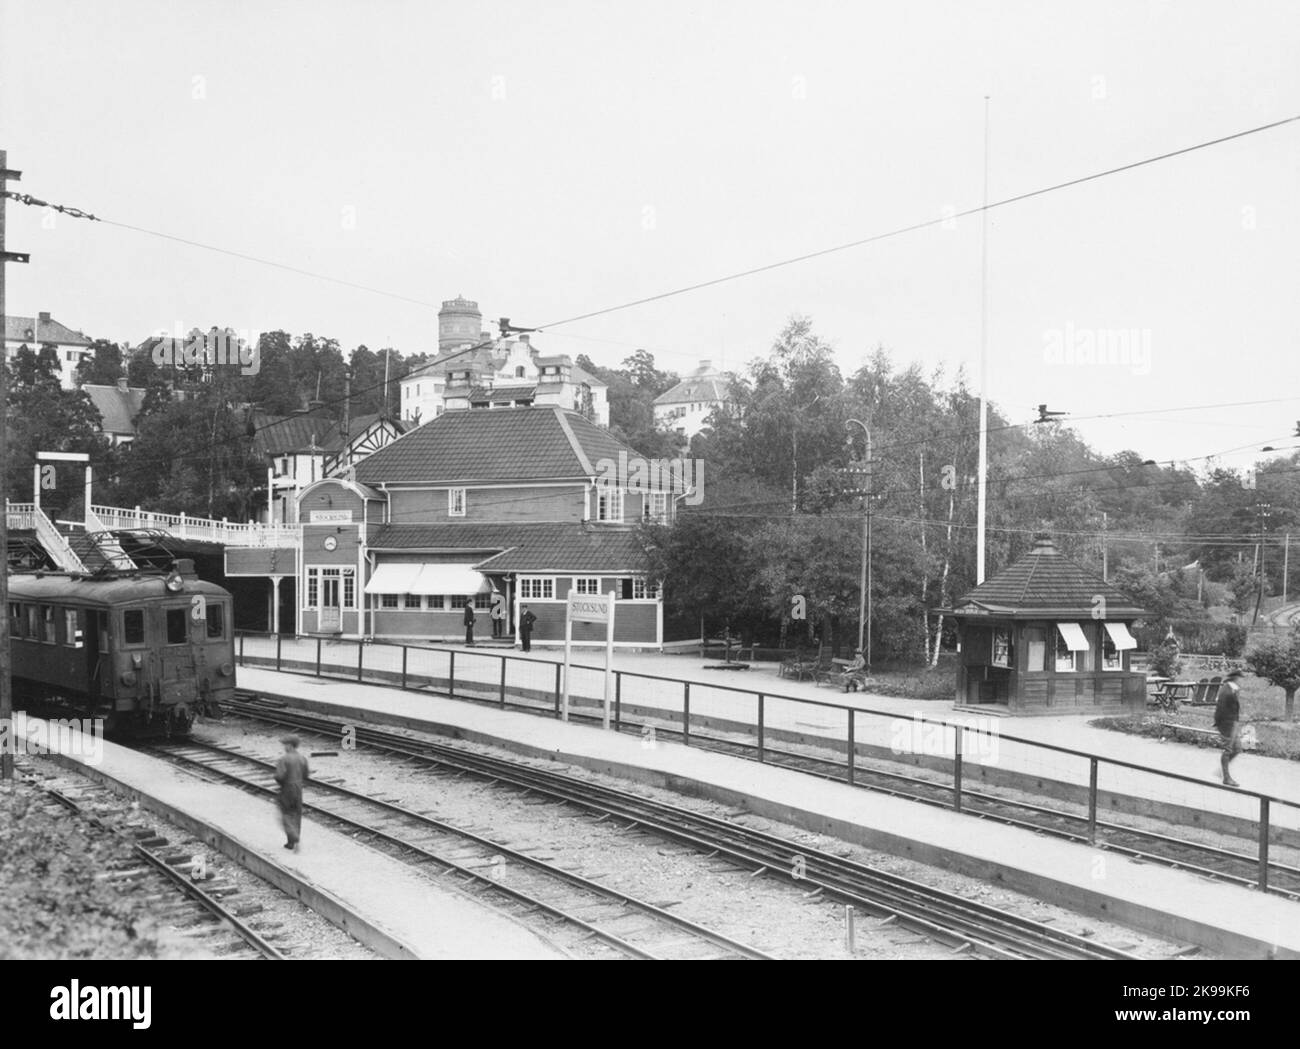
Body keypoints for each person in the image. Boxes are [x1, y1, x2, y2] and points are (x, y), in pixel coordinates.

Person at [273, 735, 310, 851]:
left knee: (285, 813)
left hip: (287, 788)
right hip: (298, 788)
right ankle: (291, 843)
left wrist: (281, 784)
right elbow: (306, 775)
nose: (284, 747)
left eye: (285, 745)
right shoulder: (303, 758)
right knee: (296, 814)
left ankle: (293, 836)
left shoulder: (284, 759)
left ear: (290, 745)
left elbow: (279, 776)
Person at [1214, 669, 1243, 787]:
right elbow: (1220, 709)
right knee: (1229, 749)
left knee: (1237, 748)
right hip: (1227, 724)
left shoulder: (1232, 689)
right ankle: (1226, 777)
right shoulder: (1227, 691)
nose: (1241, 680)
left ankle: (1222, 771)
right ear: (1235, 678)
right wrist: (1219, 723)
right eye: (1239, 678)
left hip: (1232, 722)